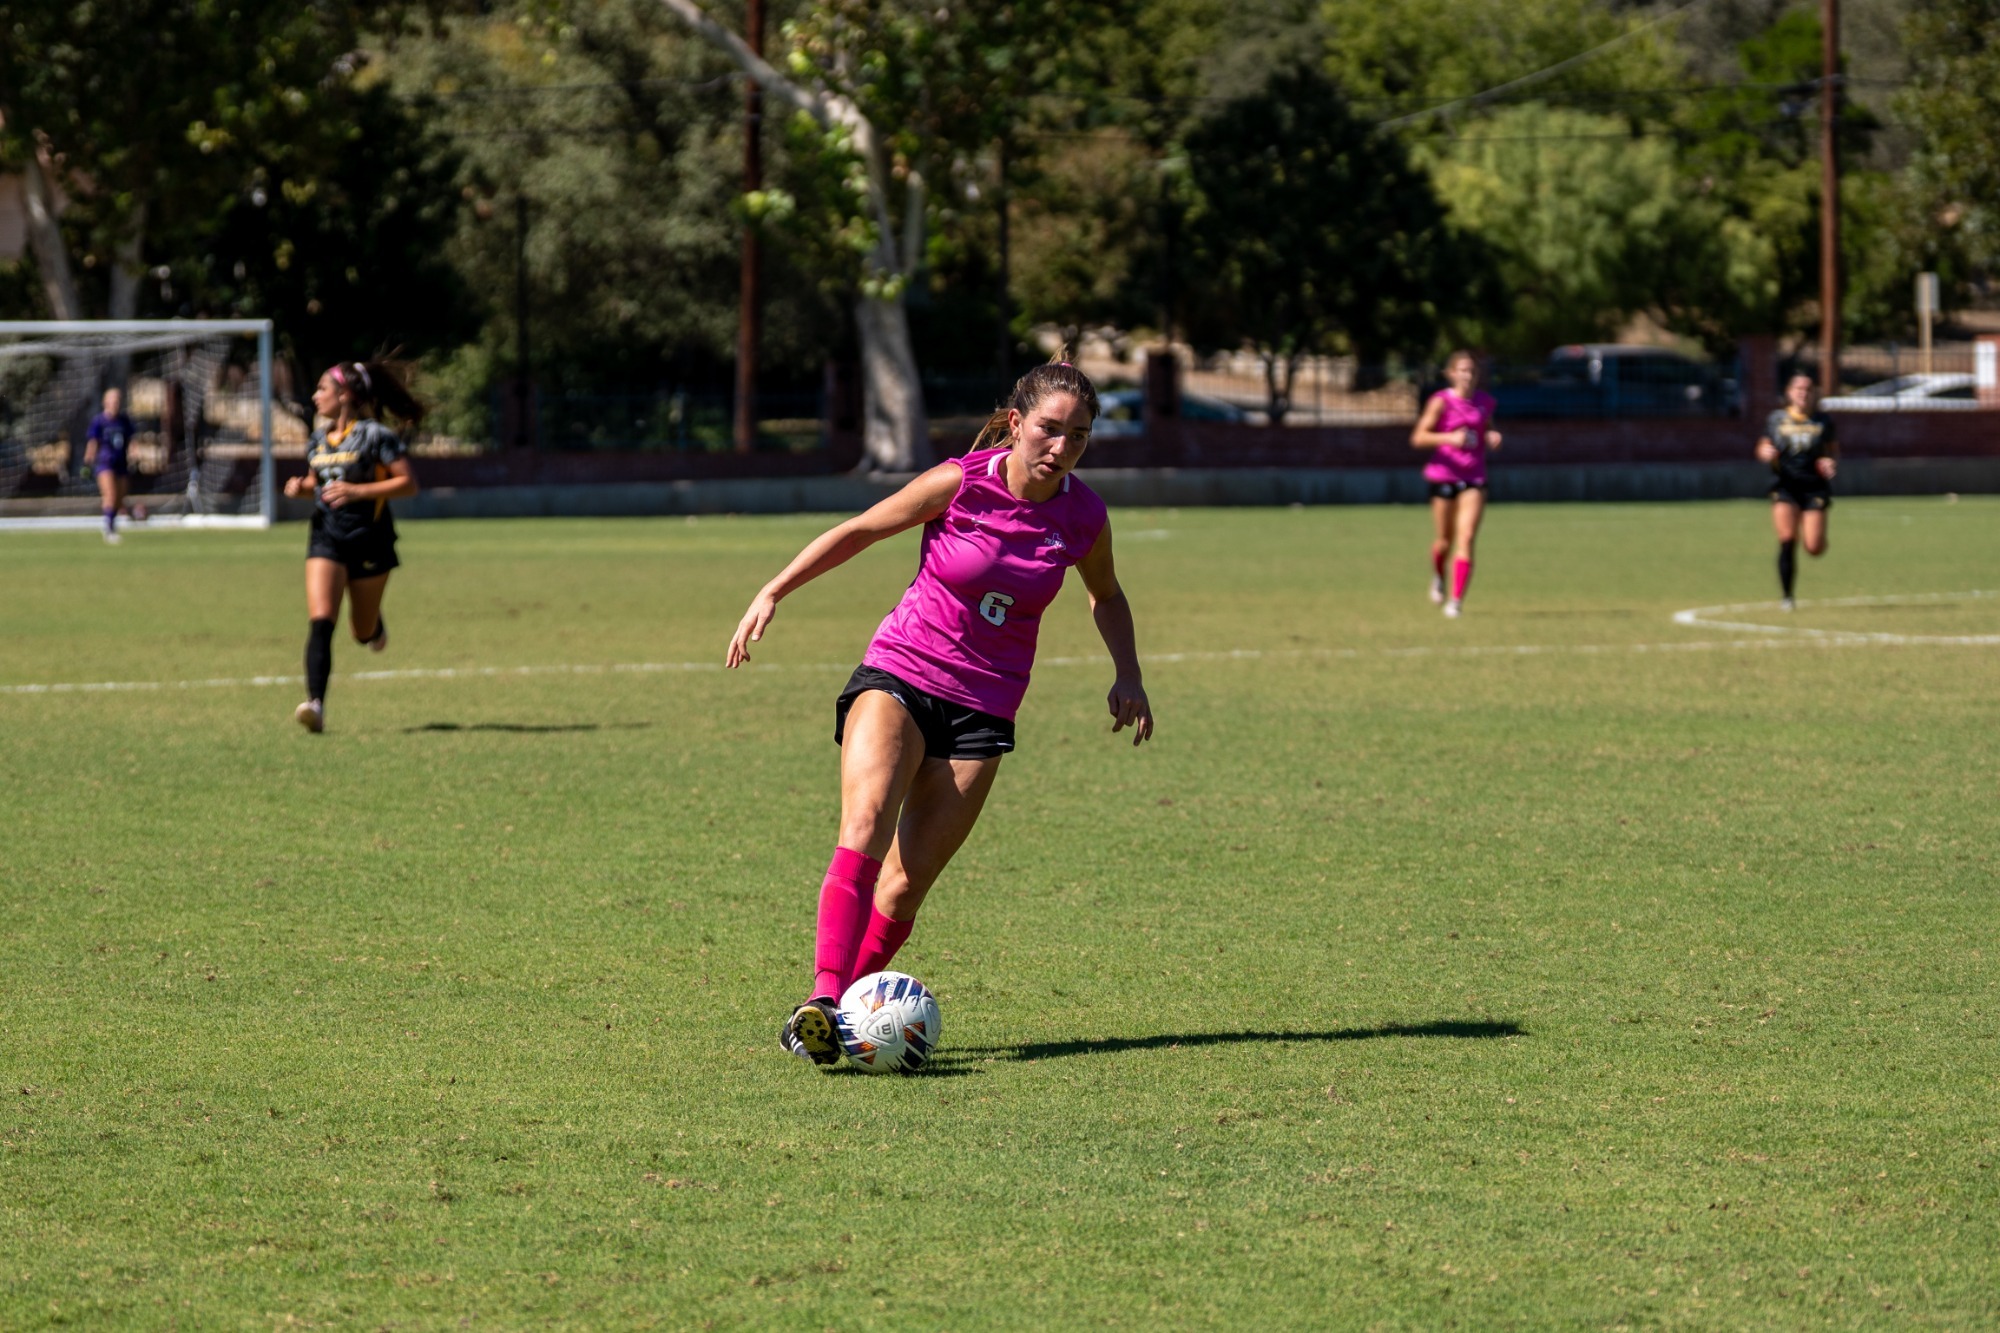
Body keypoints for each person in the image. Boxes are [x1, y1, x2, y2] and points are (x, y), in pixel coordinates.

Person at [725, 358, 1155, 1066]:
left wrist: (1128, 671)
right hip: (902, 674)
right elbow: (863, 529)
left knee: (904, 884)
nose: (1061, 447)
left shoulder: (1083, 514)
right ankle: (822, 1000)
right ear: (1016, 424)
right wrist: (774, 589)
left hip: (985, 709)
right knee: (864, 825)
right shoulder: (961, 482)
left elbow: (1105, 594)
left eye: (1078, 436)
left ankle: (853, 1015)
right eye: (1050, 429)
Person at [281, 360, 422, 733]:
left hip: (370, 538)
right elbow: (320, 480)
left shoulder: (376, 436)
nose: (315, 396)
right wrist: (302, 488)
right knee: (321, 620)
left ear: (344, 395)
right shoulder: (317, 439)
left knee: (361, 631)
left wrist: (358, 491)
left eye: (321, 389)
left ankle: (373, 628)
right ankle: (316, 704)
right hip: (326, 536)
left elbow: (408, 484)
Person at [1410, 350, 1501, 618]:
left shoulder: (1485, 402)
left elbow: (1487, 430)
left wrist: (1492, 437)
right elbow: (1419, 438)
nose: (1467, 376)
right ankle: (1438, 575)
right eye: (1462, 370)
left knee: (1467, 537)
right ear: (1451, 373)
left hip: (1474, 477)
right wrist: (1448, 439)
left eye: (1472, 371)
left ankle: (1456, 600)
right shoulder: (1440, 402)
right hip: (1444, 476)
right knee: (1444, 541)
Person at [1755, 372, 1837, 611]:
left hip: (1814, 487)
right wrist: (1764, 453)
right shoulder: (1776, 419)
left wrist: (1829, 462)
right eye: (1798, 389)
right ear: (1789, 393)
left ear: (1814, 394)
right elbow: (1762, 446)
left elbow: (1832, 452)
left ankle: (1817, 537)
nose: (1803, 393)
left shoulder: (1823, 421)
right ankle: (1787, 597)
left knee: (1813, 547)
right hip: (1785, 486)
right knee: (1787, 539)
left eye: (1808, 389)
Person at [84, 387, 135, 544]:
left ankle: (112, 521)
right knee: (110, 495)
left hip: (121, 462)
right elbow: (93, 442)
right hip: (105, 463)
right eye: (112, 400)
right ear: (105, 402)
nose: (115, 404)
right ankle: (109, 530)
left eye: (118, 401)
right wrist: (89, 457)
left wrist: (135, 452)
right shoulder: (99, 421)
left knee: (120, 499)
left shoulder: (124, 420)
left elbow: (132, 440)